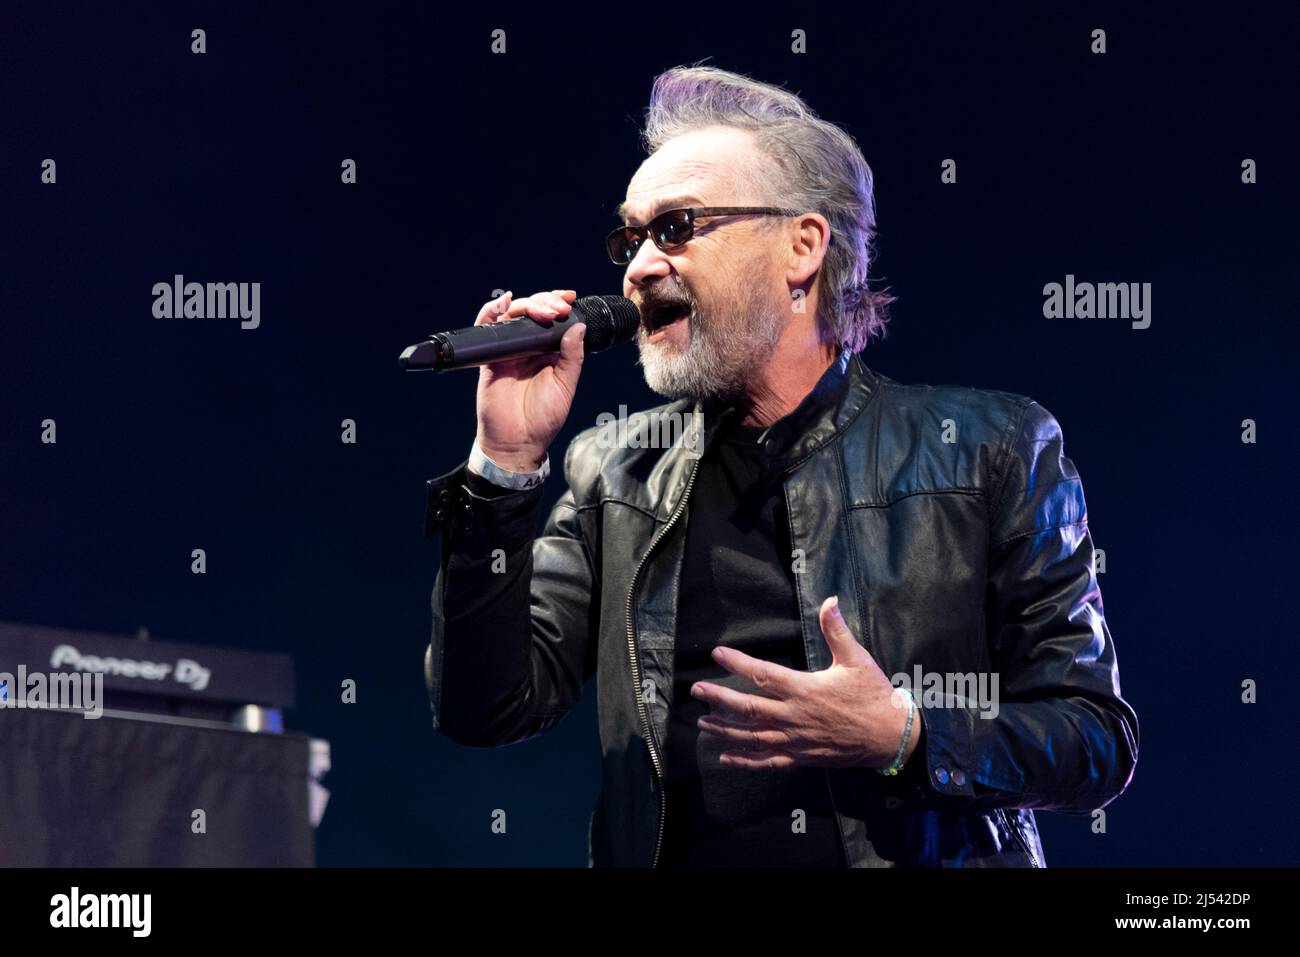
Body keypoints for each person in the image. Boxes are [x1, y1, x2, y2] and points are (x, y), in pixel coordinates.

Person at [421, 64, 1138, 867]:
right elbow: (483, 709)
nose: (636, 268)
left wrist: (905, 733)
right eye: (630, 237)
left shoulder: (989, 448)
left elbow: (1094, 741)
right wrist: (505, 466)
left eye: (677, 227)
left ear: (802, 247)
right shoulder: (611, 469)